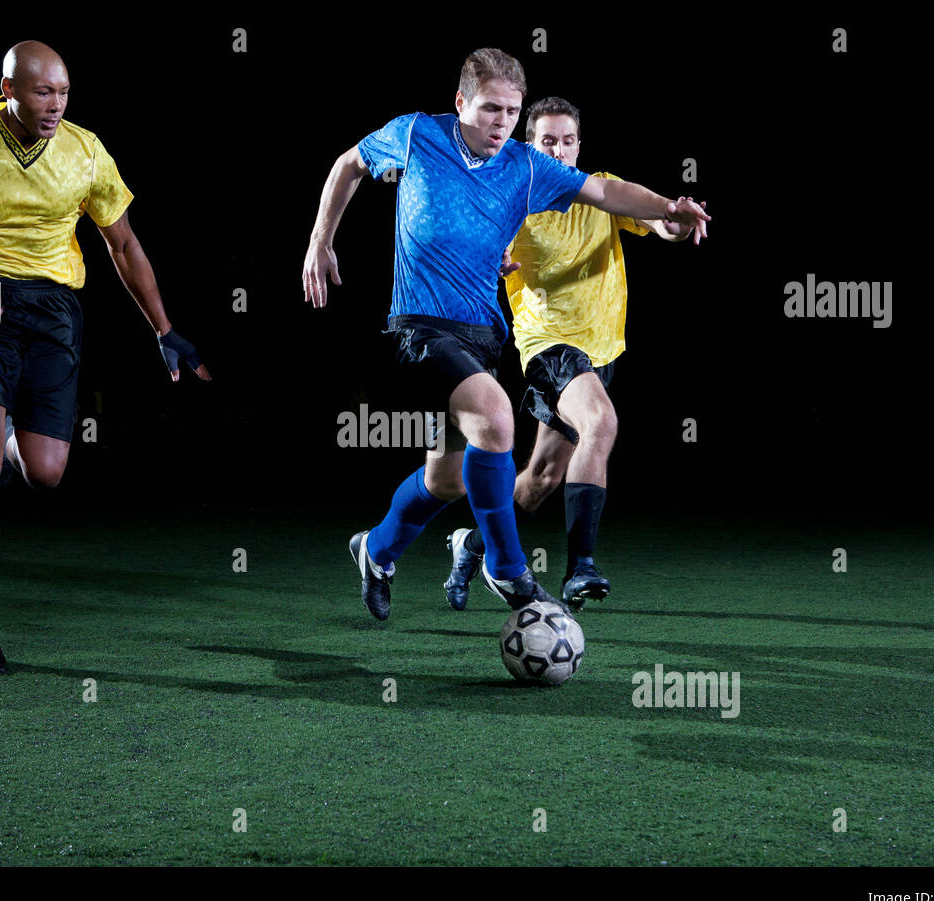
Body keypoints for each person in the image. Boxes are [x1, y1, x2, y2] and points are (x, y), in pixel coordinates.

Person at [302, 50, 709, 621]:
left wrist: (670, 205)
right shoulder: (417, 135)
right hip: (419, 326)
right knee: (497, 419)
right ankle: (508, 567)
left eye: (512, 111)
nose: (501, 122)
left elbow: (604, 193)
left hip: (480, 338)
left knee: (445, 481)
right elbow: (348, 163)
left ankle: (376, 549)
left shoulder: (524, 166)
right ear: (461, 102)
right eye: (491, 107)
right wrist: (321, 239)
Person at [0, 41, 209, 674]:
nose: (55, 105)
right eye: (42, 93)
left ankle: (13, 443)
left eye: (64, 92)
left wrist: (164, 328)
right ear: (8, 90)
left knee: (44, 471)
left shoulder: (85, 149)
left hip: (52, 308)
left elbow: (122, 245)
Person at [444, 96, 707, 612]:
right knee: (601, 424)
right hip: (547, 346)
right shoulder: (513, 201)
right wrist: (488, 261)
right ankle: (580, 566)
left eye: (567, 141)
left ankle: (470, 543)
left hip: (600, 352)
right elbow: (471, 250)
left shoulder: (599, 191)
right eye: (547, 141)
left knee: (539, 481)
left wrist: (674, 218)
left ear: (579, 146)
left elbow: (658, 224)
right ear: (530, 146)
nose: (559, 152)